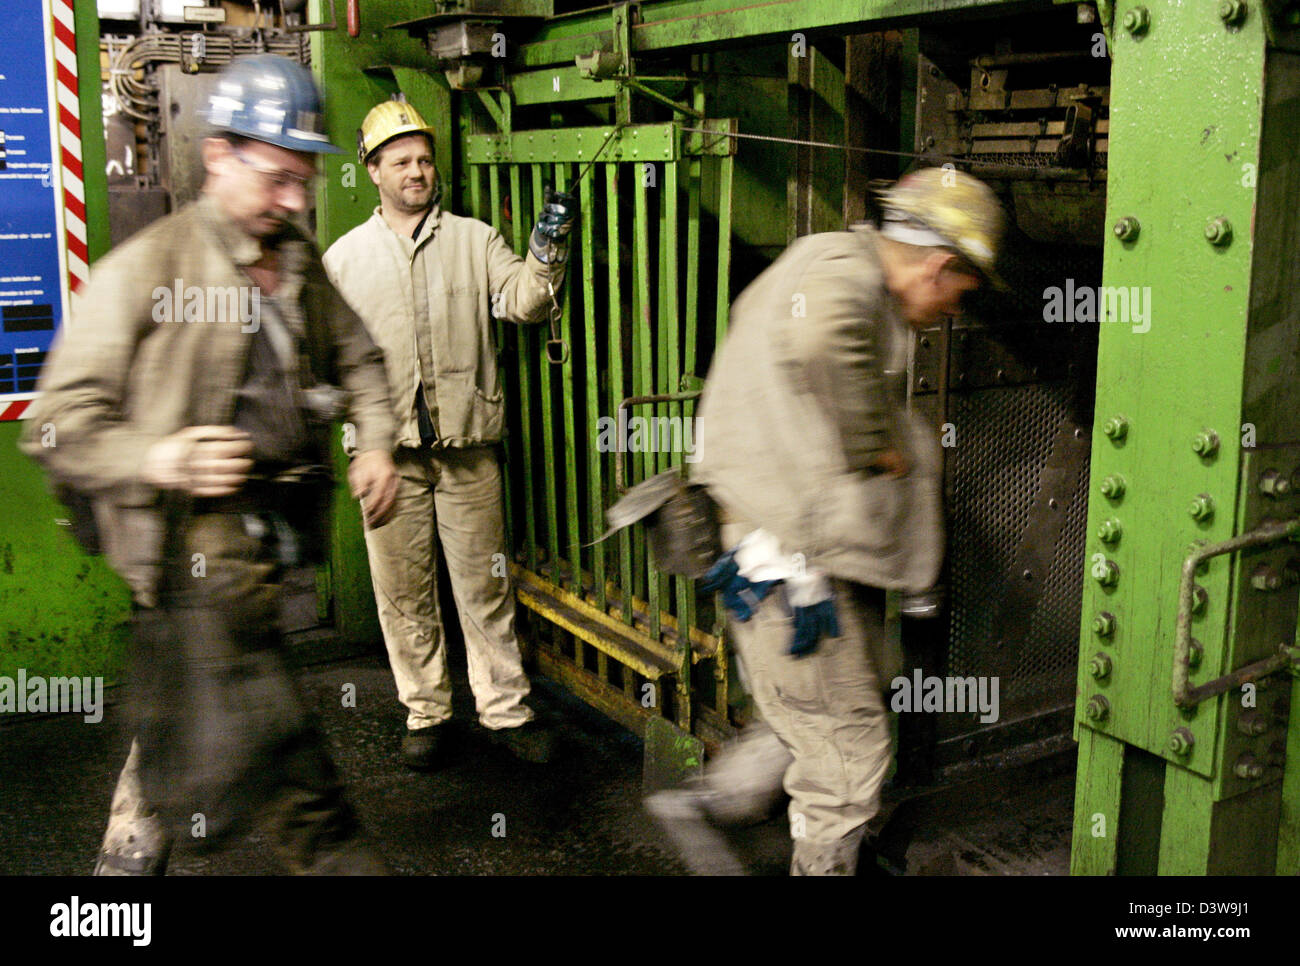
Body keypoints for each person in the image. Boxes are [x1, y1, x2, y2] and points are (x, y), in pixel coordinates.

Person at [21, 55, 400, 874]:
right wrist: (162, 455)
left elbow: (362, 358)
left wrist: (374, 441)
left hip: (267, 548)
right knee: (285, 763)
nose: (297, 200)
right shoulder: (148, 270)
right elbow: (54, 425)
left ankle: (129, 851)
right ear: (220, 155)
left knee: (188, 716)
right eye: (278, 178)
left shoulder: (295, 257)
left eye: (305, 179)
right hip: (194, 555)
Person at [646, 167, 1005, 875]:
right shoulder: (847, 269)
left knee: (835, 694)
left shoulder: (831, 263)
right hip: (782, 558)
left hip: (782, 550)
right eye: (958, 292)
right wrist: (875, 440)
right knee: (851, 746)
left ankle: (712, 802)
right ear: (939, 264)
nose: (952, 311)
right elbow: (824, 342)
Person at [321, 98, 578, 769]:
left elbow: (525, 302)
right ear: (372, 170)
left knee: (484, 587)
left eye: (424, 160)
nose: (417, 171)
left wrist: (548, 249)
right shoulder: (344, 261)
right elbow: (328, 360)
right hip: (390, 458)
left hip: (469, 450)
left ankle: (505, 710)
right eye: (401, 160)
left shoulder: (475, 240)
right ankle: (427, 712)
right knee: (403, 594)